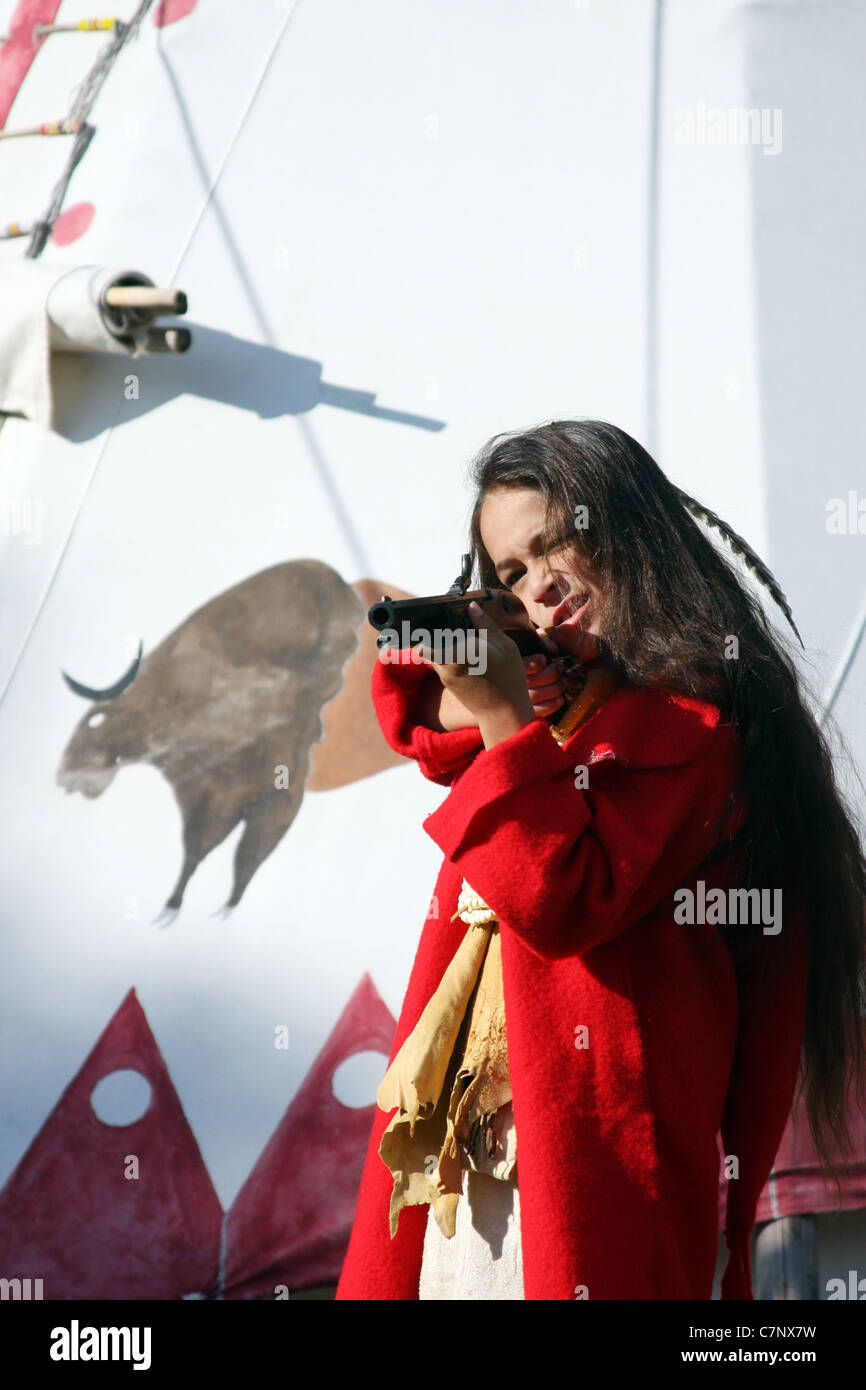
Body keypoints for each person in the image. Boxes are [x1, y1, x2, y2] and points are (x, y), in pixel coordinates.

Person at [335, 418, 866, 1301]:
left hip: (596, 1170)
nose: (541, 583)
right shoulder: (549, 714)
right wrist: (494, 697)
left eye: (562, 542)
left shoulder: (691, 732)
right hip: (469, 1172)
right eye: (510, 574)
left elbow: (566, 901)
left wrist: (505, 717)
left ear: (630, 533)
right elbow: (416, 713)